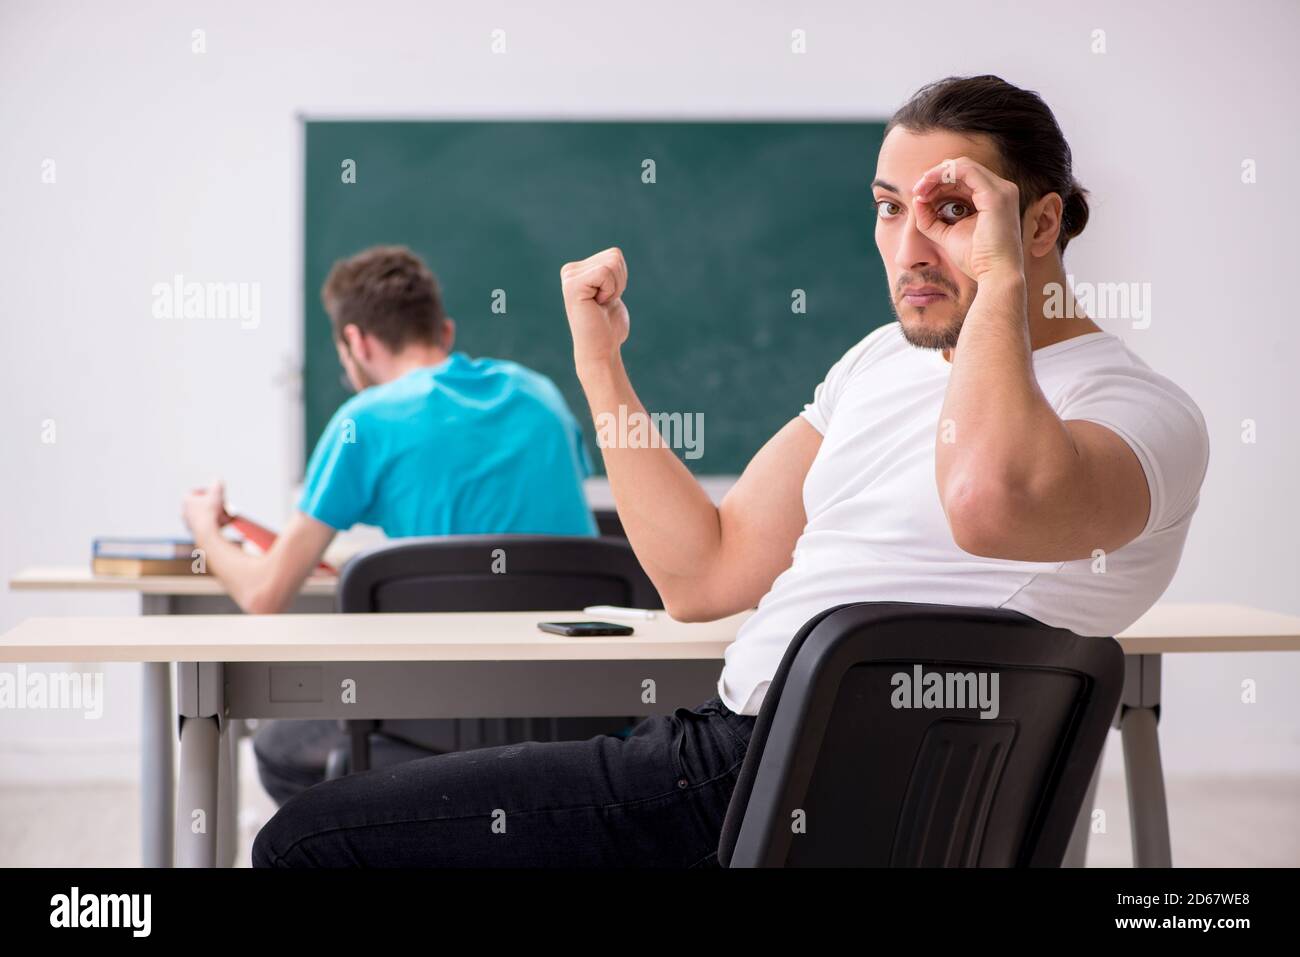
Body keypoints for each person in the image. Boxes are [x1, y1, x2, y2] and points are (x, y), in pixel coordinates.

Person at [253, 76, 1209, 867]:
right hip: (721, 766)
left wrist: (999, 281)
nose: (908, 246)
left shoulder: (1139, 415)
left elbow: (989, 503)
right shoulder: (881, 362)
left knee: (308, 843)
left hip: (773, 782)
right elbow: (701, 573)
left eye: (951, 212)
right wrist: (600, 364)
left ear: (1038, 226)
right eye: (887, 210)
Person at [180, 245, 599, 804]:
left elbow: (264, 593)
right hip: (582, 711)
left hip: (437, 719)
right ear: (443, 332)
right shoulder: (541, 396)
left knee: (281, 749)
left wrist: (205, 531)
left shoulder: (365, 421)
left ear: (356, 341)